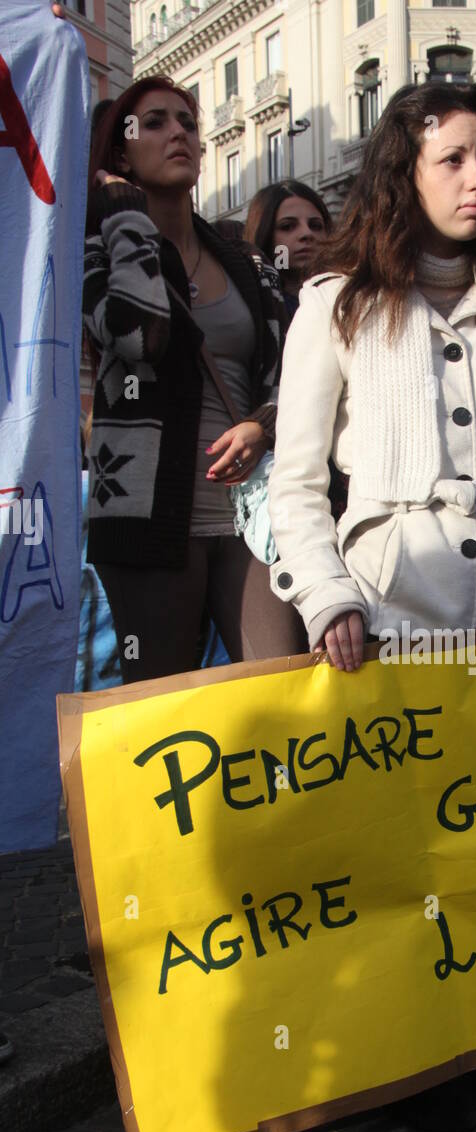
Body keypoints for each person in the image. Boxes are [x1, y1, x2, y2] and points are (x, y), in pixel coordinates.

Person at [267, 81, 476, 1132]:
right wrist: (327, 595)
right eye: (454, 158)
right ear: (403, 171)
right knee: (396, 847)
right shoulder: (334, 302)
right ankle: (399, 1050)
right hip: (391, 615)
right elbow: (292, 487)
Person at [83, 76, 305, 681]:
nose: (177, 132)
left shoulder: (245, 261)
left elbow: (298, 376)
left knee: (284, 692)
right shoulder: (99, 249)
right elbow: (138, 334)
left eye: (187, 122)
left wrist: (262, 427)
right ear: (121, 155)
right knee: (163, 709)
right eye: (154, 123)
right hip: (148, 520)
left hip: (252, 516)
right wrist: (125, 216)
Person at [244, 180, 332, 322]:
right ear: (265, 234)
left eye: (316, 226)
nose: (306, 233)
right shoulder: (247, 305)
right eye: (287, 226)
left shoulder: (346, 298)